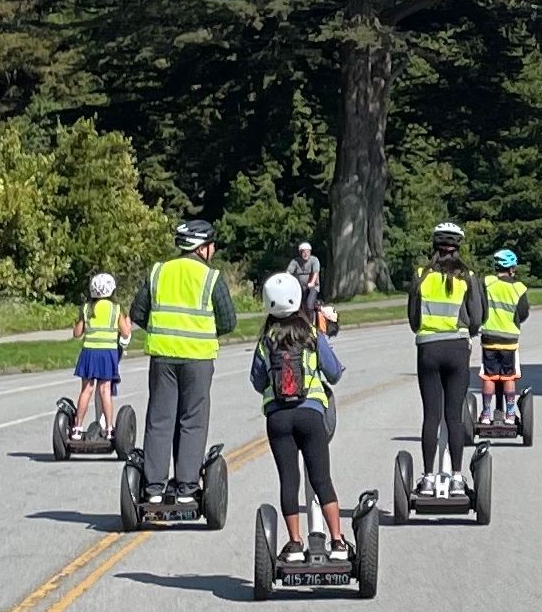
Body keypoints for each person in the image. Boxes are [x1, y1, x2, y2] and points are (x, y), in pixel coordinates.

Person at [129, 219, 238, 506]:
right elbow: (228, 321)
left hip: (163, 357)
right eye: (211, 245)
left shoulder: (158, 271)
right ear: (202, 248)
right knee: (193, 420)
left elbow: (138, 313)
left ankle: (153, 489)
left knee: (160, 420)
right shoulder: (210, 278)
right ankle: (187, 489)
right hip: (198, 359)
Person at [250, 272, 347, 562]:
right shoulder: (311, 335)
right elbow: (333, 372)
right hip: (310, 414)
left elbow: (256, 381)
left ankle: (294, 544)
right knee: (321, 479)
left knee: (288, 480)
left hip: (279, 419)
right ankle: (338, 542)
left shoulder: (265, 341)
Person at [408, 221, 485, 497]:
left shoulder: (420, 274)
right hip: (457, 349)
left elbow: (414, 319)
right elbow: (477, 318)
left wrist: (427, 330)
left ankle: (428, 478)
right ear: (458, 247)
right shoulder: (468, 277)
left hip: (428, 349)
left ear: (435, 245)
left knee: (431, 415)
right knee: (454, 416)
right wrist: (467, 331)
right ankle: (455, 476)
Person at [69, 272, 132, 441]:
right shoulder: (116, 309)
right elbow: (125, 332)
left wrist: (77, 323)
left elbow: (77, 334)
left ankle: (77, 427)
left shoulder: (87, 308)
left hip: (89, 352)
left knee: (86, 390)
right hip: (107, 353)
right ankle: (110, 429)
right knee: (105, 390)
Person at [478, 248, 531, 425]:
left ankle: (486, 414)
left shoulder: (487, 283)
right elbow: (523, 313)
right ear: (512, 268)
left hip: (489, 338)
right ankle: (509, 414)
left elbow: (480, 306)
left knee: (489, 376)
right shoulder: (518, 288)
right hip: (509, 339)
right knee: (509, 377)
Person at [287, 241, 322, 306]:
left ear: (310, 252)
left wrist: (312, 283)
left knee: (309, 305)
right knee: (295, 306)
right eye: (303, 252)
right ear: (300, 253)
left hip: (312, 287)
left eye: (307, 252)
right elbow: (288, 272)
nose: (306, 254)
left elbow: (315, 272)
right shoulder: (295, 261)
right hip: (299, 288)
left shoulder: (314, 260)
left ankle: (313, 311)